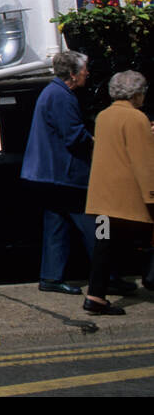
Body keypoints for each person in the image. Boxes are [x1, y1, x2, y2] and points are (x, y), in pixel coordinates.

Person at [21, 52, 135, 297]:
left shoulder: (51, 92)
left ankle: (51, 277)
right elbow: (74, 136)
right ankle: (108, 278)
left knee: (57, 223)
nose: (88, 73)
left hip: (45, 174)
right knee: (95, 226)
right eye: (84, 69)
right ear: (72, 74)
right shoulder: (62, 97)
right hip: (64, 174)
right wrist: (101, 142)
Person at [82, 71, 154, 316]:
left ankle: (95, 296)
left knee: (104, 246)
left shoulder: (103, 116)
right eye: (143, 92)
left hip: (103, 199)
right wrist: (152, 196)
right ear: (135, 94)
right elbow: (144, 162)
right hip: (128, 200)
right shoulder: (137, 118)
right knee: (143, 240)